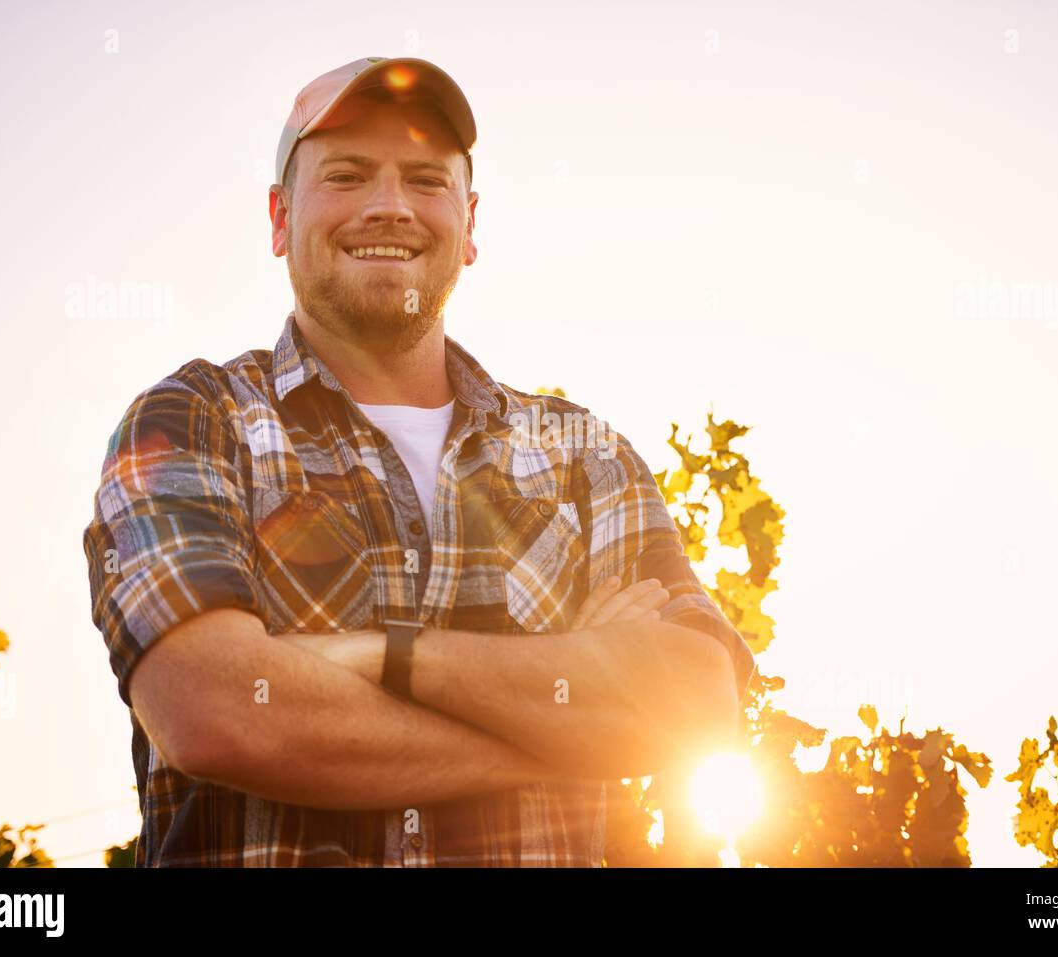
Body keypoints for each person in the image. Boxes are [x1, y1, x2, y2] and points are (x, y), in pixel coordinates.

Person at [82, 56, 756, 866]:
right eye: (348, 174)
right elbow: (215, 709)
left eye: (426, 181)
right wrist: (579, 728)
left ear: (469, 226)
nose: (389, 206)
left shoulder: (586, 458)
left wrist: (384, 655)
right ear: (278, 217)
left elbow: (696, 706)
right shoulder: (194, 421)